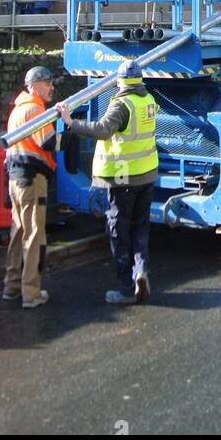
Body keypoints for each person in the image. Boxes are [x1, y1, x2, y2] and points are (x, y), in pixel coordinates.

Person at [56, 59, 158, 305]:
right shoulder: (149, 101)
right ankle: (140, 271)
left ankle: (125, 288)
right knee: (140, 228)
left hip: (123, 178)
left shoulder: (123, 105)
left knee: (119, 231)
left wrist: (70, 122)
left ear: (120, 81)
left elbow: (102, 130)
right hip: (146, 175)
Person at [2, 65, 58, 308]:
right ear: (34, 85)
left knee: (18, 232)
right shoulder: (35, 109)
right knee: (34, 234)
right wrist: (71, 127)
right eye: (48, 82)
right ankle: (31, 293)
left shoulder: (18, 109)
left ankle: (11, 287)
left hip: (16, 178)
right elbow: (48, 142)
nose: (52, 87)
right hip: (32, 179)